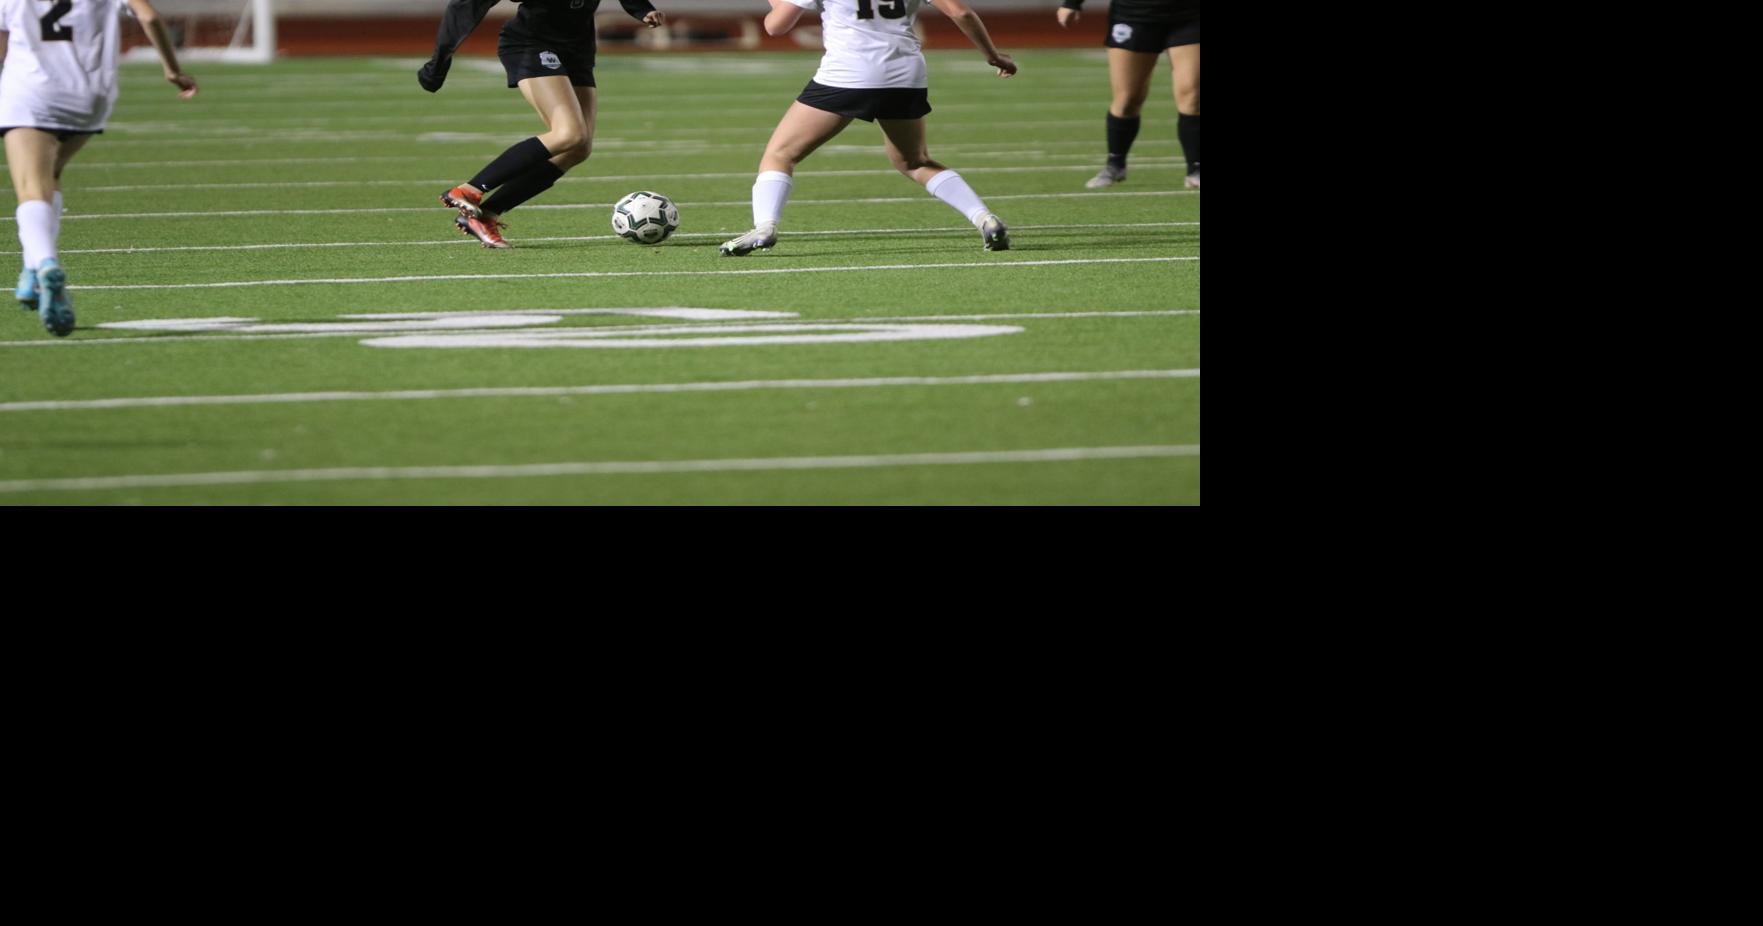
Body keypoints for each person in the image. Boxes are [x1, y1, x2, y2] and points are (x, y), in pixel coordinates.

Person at [719, 0, 1017, 257]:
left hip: (847, 75)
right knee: (914, 162)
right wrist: (993, 56)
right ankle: (985, 219)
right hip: (905, 75)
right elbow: (961, 12)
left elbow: (776, 26)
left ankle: (764, 227)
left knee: (780, 154)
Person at [2, 0, 197, 338]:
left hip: (31, 91)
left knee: (31, 186)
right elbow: (149, 16)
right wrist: (172, 70)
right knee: (51, 175)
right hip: (90, 98)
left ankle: (44, 264)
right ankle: (31, 267)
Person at [420, 0, 665, 249]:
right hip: (531, 44)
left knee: (579, 148)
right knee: (569, 134)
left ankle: (487, 215)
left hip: (578, 51)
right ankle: (468, 189)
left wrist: (641, 9)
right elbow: (468, 4)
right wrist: (439, 62)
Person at [1057, 0, 1199, 190]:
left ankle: (1195, 168)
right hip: (1134, 13)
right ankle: (1115, 164)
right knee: (1128, 99)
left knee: (1192, 94)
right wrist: (1073, 3)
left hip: (1190, 13)